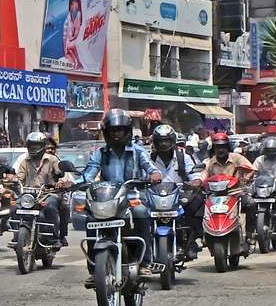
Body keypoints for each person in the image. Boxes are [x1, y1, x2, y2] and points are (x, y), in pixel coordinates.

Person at [79, 109, 161, 268]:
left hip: (132, 199)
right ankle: (94, 268)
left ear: (127, 131)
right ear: (106, 132)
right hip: (107, 200)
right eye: (112, 130)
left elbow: (151, 168)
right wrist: (72, 182)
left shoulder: (138, 152)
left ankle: (145, 263)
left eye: (119, 130)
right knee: (90, 218)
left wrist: (155, 174)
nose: (116, 134)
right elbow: (88, 174)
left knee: (141, 212)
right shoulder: (100, 153)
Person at [148, 124, 200, 256]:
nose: (163, 144)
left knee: (196, 202)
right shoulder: (149, 159)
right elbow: (141, 174)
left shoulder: (183, 157)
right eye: (160, 141)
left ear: (172, 141)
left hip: (179, 195)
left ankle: (191, 240)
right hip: (155, 196)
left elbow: (194, 174)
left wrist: (195, 181)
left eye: (166, 140)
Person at [13, 130, 69, 244]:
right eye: (31, 145)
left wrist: (60, 181)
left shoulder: (52, 159)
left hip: (48, 193)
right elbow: (20, 176)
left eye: (36, 145)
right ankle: (17, 235)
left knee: (50, 207)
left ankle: (54, 237)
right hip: (29, 194)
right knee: (14, 208)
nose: (34, 148)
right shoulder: (25, 161)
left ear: (43, 146)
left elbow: (60, 173)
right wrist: (13, 180)